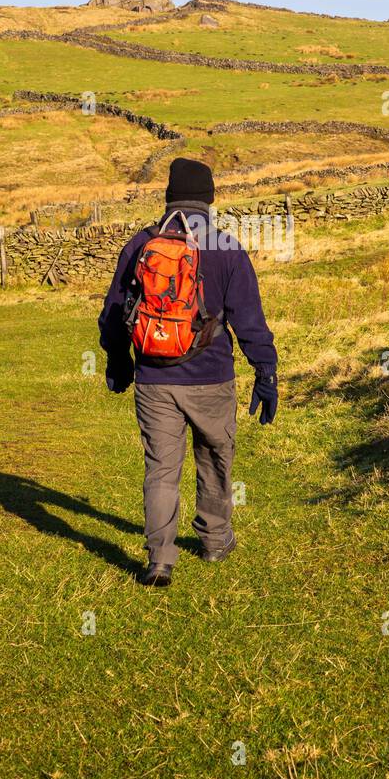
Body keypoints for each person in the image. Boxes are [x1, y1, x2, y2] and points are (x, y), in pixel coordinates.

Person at [98, 158, 278, 586]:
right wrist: (265, 372)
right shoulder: (226, 248)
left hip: (154, 380)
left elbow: (112, 315)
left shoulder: (141, 245)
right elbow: (248, 319)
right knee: (215, 459)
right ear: (211, 198)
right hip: (212, 378)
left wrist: (118, 362)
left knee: (161, 468)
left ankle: (160, 559)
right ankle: (215, 540)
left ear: (168, 197)